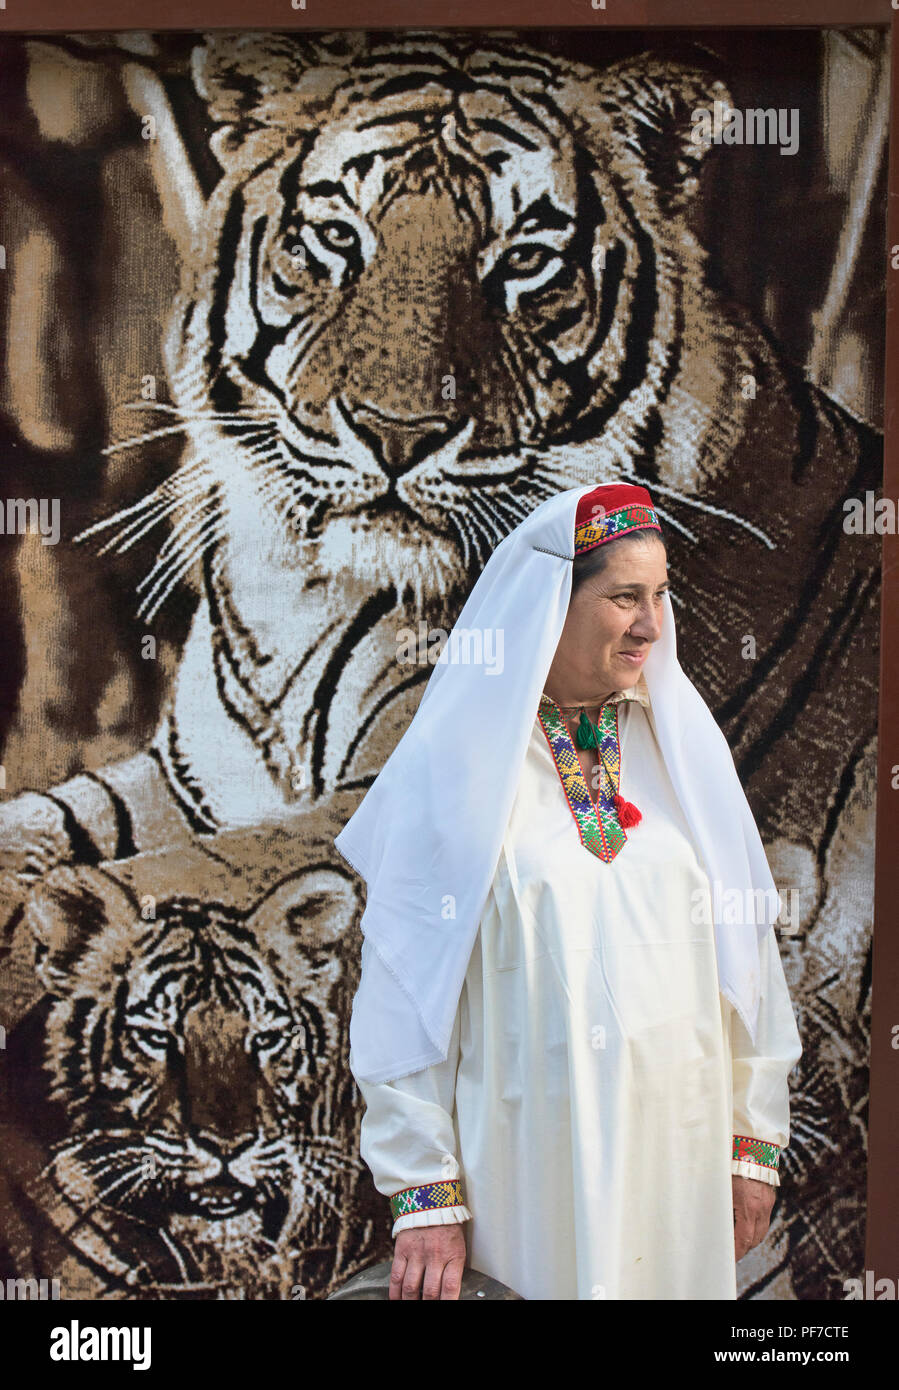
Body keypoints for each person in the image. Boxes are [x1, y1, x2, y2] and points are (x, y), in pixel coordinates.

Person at [334, 481, 803, 1301]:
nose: (650, 624)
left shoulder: (684, 757)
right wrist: (424, 1196)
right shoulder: (457, 769)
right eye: (624, 596)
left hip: (679, 1164)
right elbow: (400, 1002)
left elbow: (748, 966)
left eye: (659, 596)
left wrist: (751, 1141)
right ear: (551, 601)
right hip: (521, 1176)